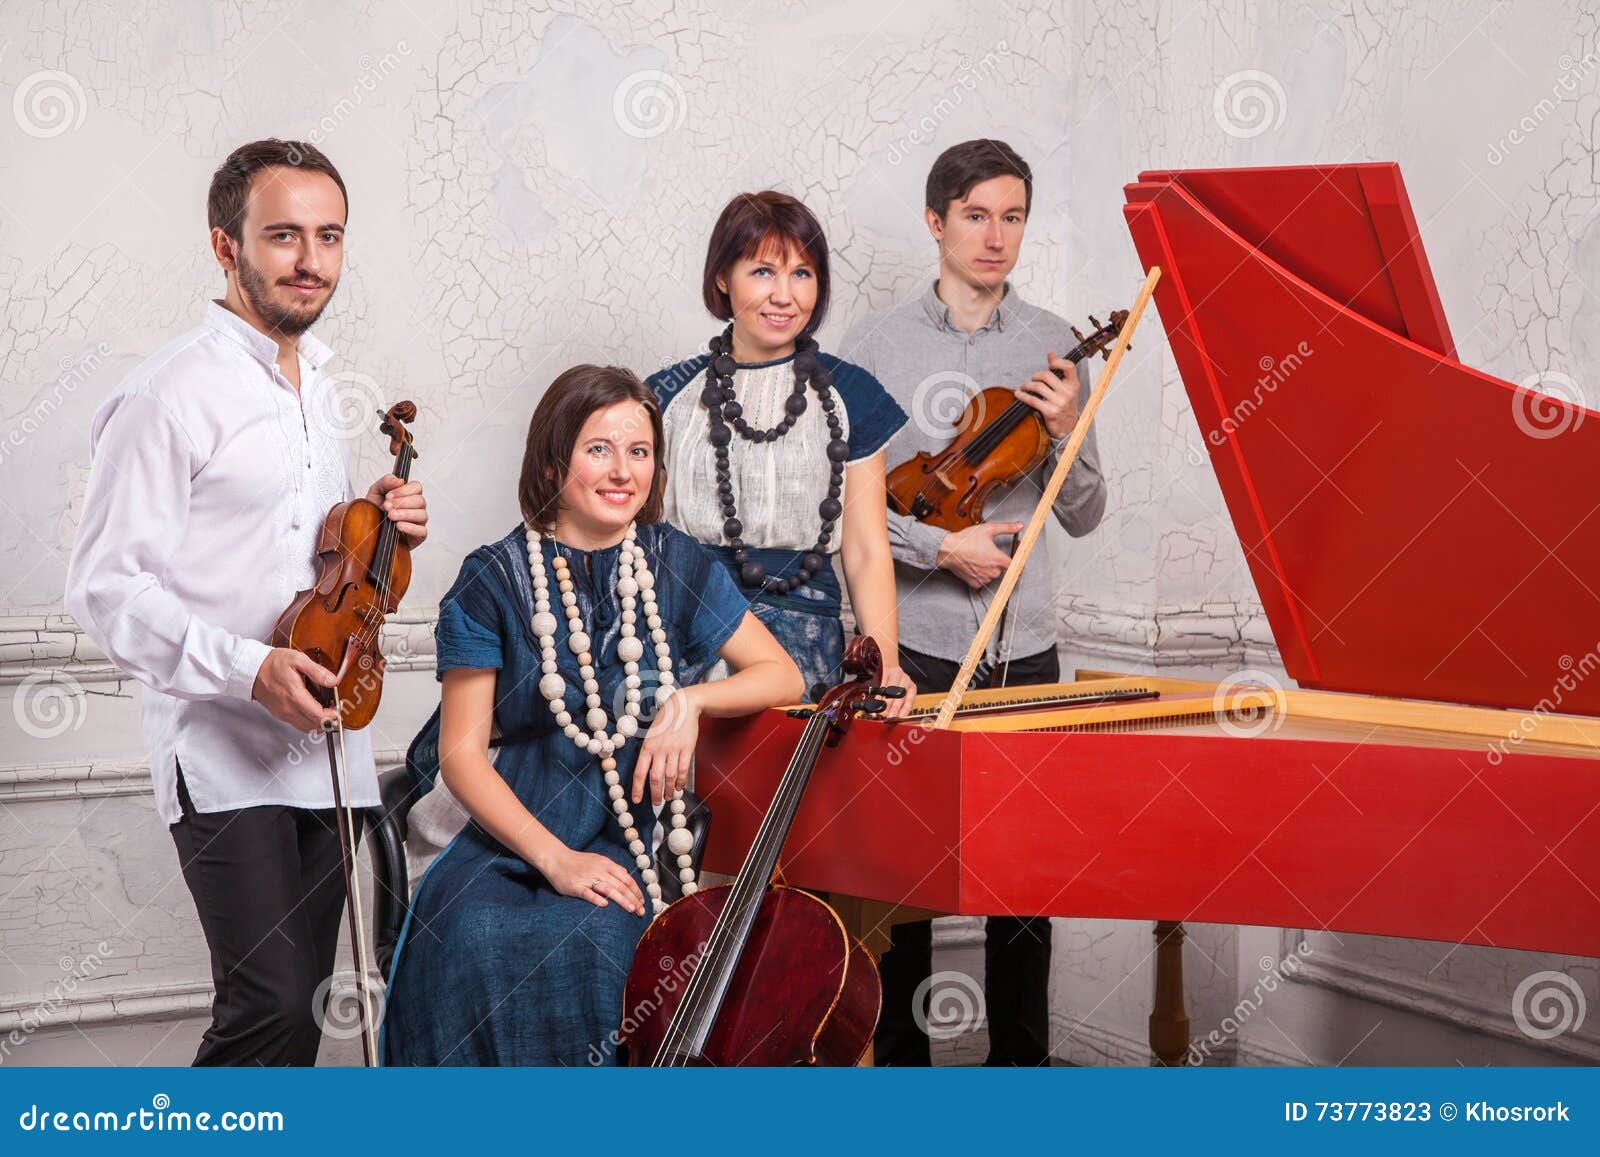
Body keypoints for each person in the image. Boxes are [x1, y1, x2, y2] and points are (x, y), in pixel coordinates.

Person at [63, 139, 430, 1065]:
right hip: (223, 750)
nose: (311, 260)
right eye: (284, 235)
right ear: (225, 246)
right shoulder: (165, 395)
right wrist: (249, 668)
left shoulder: (324, 392)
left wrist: (378, 526)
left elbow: (304, 557)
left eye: (329, 236)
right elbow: (106, 587)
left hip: (328, 744)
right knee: (267, 1009)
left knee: (300, 1019)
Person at [380, 365, 802, 1066]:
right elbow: (460, 755)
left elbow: (781, 674)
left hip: (624, 829)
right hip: (500, 832)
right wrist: (557, 859)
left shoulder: (673, 561)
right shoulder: (495, 576)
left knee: (597, 934)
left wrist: (690, 700)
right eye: (598, 449)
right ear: (554, 460)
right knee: (474, 933)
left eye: (639, 451)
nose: (622, 471)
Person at [841, 139, 1108, 1065]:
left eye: (1013, 217)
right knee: (904, 887)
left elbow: (1085, 511)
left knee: (1025, 889)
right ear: (936, 221)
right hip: (912, 647)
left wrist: (1066, 428)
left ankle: (1020, 1080)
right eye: (976, 215)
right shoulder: (875, 345)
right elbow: (842, 507)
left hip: (1022, 648)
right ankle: (904, 1084)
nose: (996, 237)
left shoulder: (1056, 342)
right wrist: (936, 546)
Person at [649, 191, 915, 711]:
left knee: (797, 766)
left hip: (808, 645)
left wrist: (885, 663)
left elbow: (865, 549)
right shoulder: (666, 396)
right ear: (722, 278)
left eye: (802, 274)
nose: (784, 296)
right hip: (685, 634)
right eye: (763, 272)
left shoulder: (852, 394)